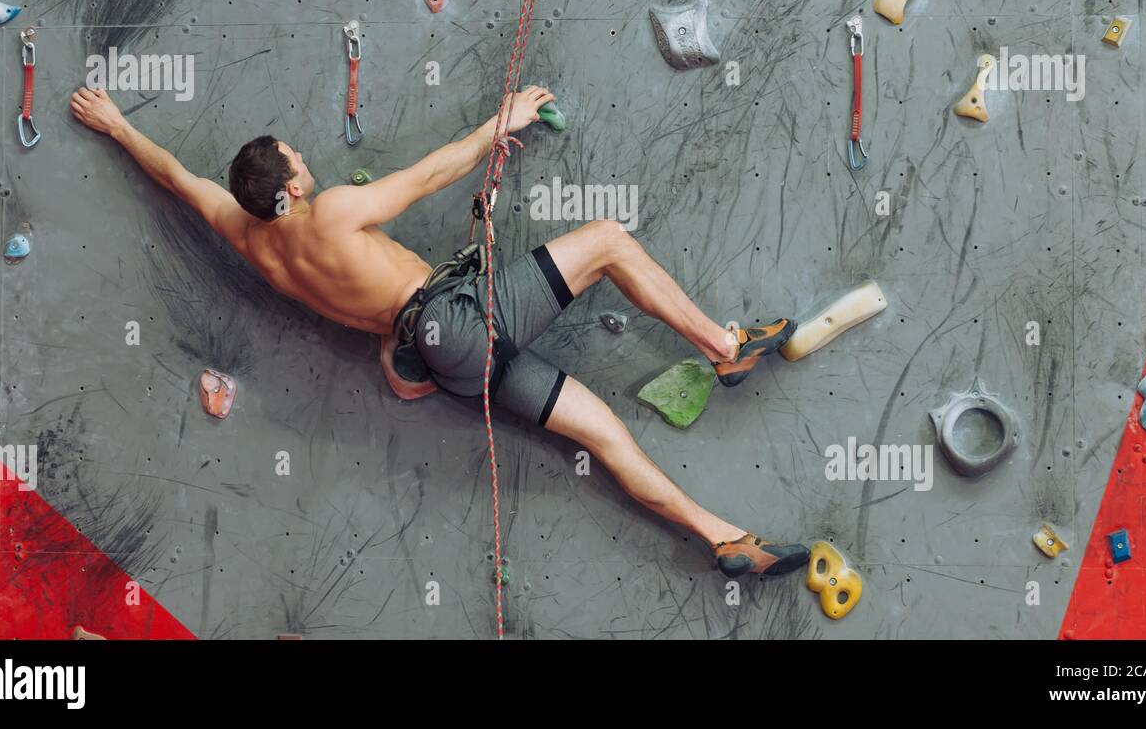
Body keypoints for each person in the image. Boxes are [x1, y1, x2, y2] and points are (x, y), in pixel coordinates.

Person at [70, 82, 809, 578]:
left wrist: (117, 125)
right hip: (456, 319)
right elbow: (427, 176)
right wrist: (502, 121)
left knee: (605, 433)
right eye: (300, 159)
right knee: (610, 241)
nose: (309, 161)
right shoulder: (328, 215)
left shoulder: (247, 235)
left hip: (445, 360)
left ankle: (721, 535)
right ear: (291, 188)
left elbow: (173, 174)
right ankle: (724, 349)